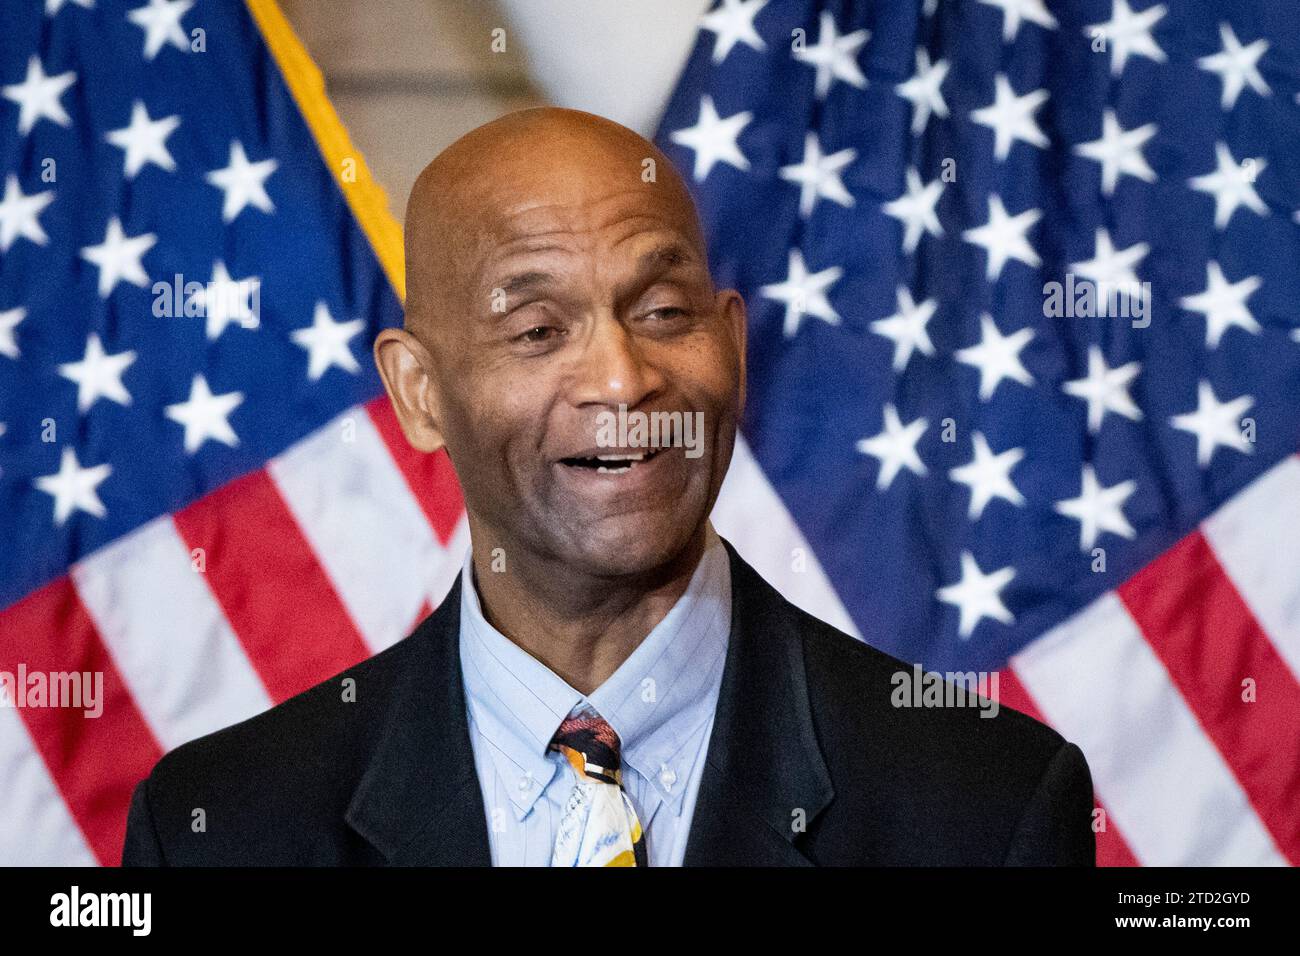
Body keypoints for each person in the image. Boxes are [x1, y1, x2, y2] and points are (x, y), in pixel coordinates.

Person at [122, 107, 1095, 866]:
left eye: (664, 311)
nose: (624, 379)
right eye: (537, 330)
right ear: (419, 392)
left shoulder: (986, 803)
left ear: (733, 345)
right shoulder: (218, 825)